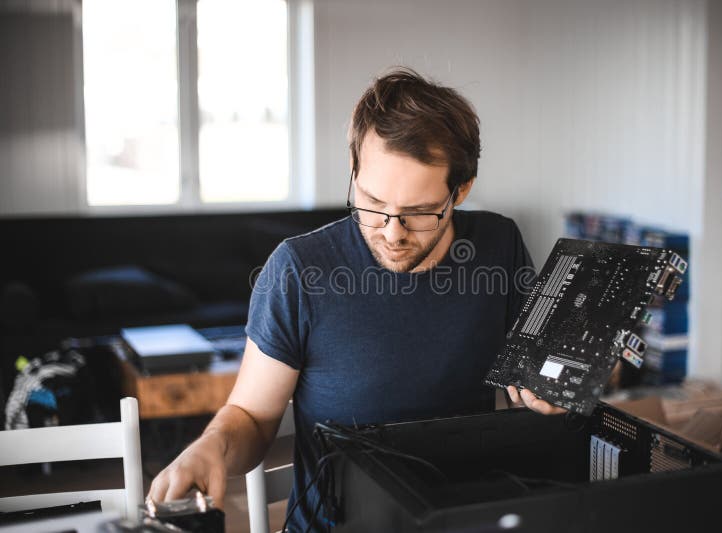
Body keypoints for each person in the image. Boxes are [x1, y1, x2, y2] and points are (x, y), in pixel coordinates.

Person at [148, 67, 565, 531]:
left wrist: (565, 382)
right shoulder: (297, 270)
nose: (391, 231)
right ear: (353, 169)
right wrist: (212, 445)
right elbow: (250, 415)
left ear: (460, 191)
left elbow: (545, 367)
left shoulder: (499, 244)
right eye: (372, 201)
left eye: (419, 213)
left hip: (460, 517)